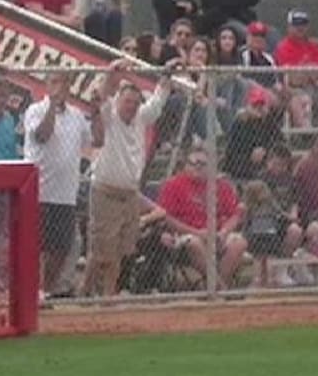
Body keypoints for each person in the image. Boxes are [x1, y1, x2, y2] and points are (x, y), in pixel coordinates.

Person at [80, 60, 174, 297]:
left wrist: (167, 73)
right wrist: (112, 72)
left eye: (134, 102)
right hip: (105, 190)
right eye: (126, 102)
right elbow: (100, 96)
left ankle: (88, 291)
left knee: (119, 250)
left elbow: (158, 101)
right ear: (118, 101)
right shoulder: (109, 115)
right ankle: (105, 298)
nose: (130, 107)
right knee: (104, 251)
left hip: (130, 193)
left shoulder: (141, 118)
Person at [23, 71, 94, 295]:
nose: (59, 87)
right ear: (47, 85)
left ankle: (47, 290)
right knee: (35, 246)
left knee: (61, 248)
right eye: (54, 82)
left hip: (65, 194)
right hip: (39, 191)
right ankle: (30, 291)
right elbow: (42, 135)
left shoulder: (77, 115)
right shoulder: (35, 110)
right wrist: (52, 106)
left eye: (63, 83)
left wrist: (97, 112)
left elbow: (95, 141)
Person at [157, 147, 250, 289]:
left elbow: (236, 215)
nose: (197, 167)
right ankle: (220, 288)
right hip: (186, 236)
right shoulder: (173, 185)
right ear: (185, 165)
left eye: (202, 164)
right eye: (192, 163)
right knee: (194, 243)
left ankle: (214, 287)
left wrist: (223, 233)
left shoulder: (221, 186)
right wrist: (197, 233)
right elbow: (166, 218)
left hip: (217, 236)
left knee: (239, 242)